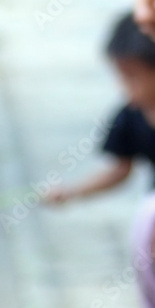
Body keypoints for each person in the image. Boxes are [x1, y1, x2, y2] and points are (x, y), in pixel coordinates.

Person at [45, 13, 155, 204]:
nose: (125, 86)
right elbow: (120, 169)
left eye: (132, 76)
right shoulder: (130, 116)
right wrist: (72, 192)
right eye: (122, 76)